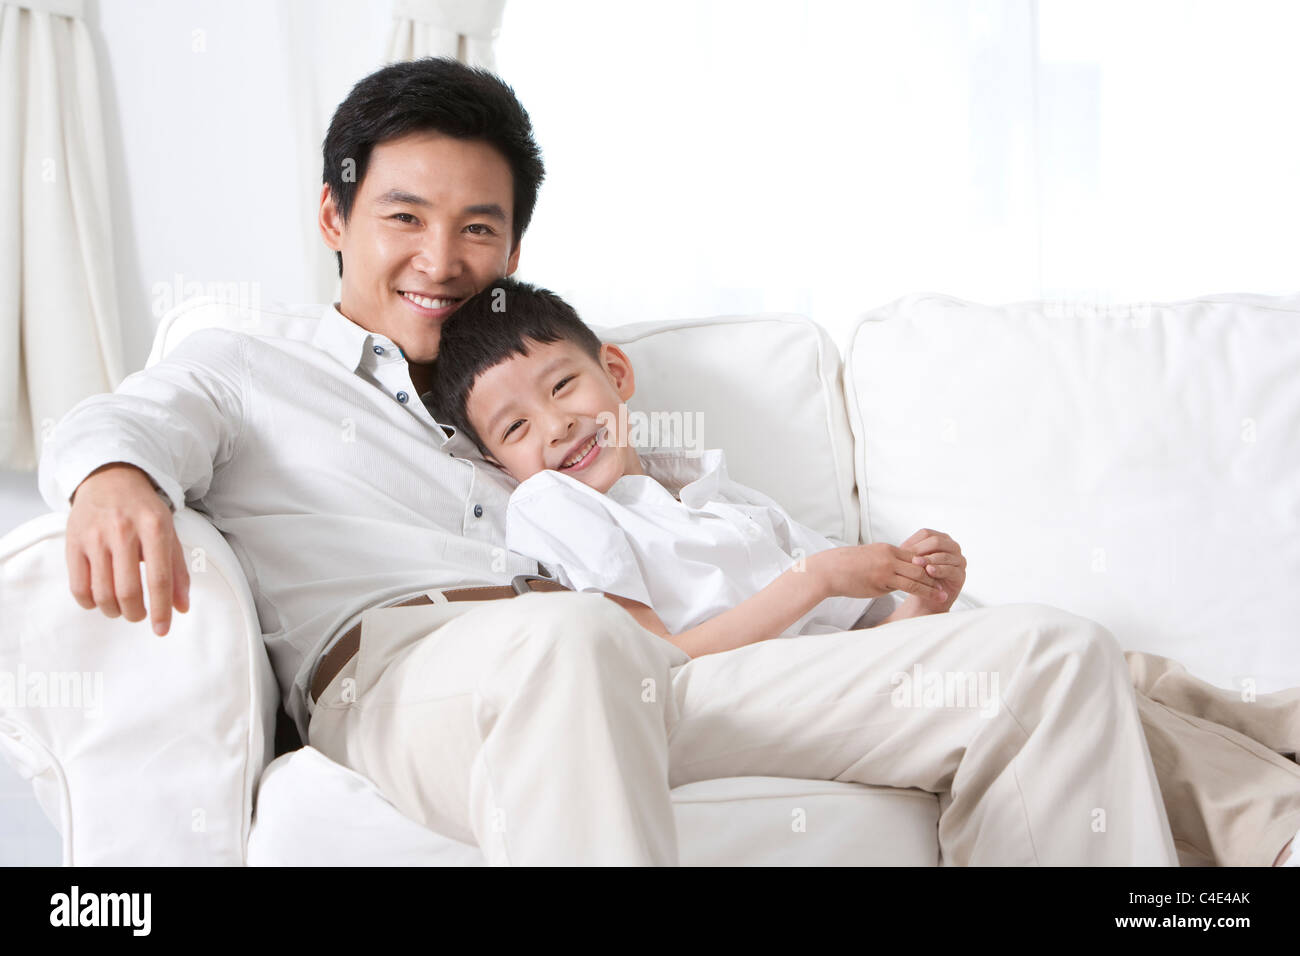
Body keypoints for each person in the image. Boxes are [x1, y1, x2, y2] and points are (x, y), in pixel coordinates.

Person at [33, 56, 1286, 866]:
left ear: (513, 242)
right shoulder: (248, 364)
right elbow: (128, 419)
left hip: (641, 670)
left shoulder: (517, 395)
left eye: (479, 227)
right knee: (570, 640)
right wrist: (114, 480)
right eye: (401, 219)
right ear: (333, 221)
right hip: (414, 678)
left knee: (1047, 653)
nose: (438, 256)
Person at [426, 276, 1300, 867]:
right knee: (1056, 660)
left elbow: (866, 644)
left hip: (822, 680)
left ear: (614, 373)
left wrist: (924, 601)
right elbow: (651, 656)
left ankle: (1275, 738)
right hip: (701, 693)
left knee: (1114, 666)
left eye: (562, 387)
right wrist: (811, 581)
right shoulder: (558, 507)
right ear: (500, 465)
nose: (552, 427)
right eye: (513, 429)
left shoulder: (715, 492)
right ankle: (1273, 822)